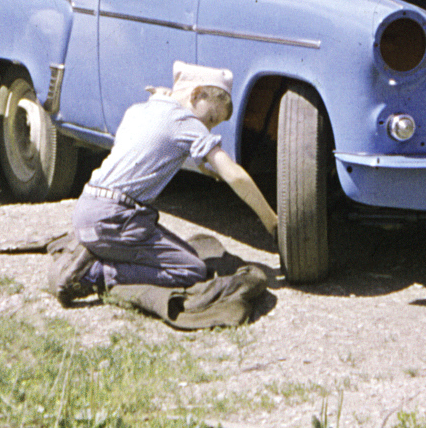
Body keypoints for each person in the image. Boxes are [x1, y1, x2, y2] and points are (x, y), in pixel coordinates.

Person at [49, 62, 279, 306]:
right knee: (191, 270)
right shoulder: (185, 123)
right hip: (114, 218)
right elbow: (234, 175)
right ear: (197, 94)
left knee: (186, 255)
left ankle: (96, 248)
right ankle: (94, 274)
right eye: (211, 118)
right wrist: (271, 221)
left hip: (87, 210)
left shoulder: (139, 110)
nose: (208, 128)